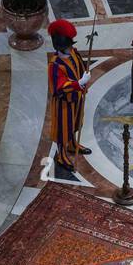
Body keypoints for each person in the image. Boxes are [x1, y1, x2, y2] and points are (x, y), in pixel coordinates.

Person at [46, 19, 90, 179]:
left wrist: (84, 77)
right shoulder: (55, 65)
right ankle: (61, 155)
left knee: (76, 123)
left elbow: (80, 66)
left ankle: (72, 144)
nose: (71, 48)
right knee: (62, 130)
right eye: (68, 46)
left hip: (76, 99)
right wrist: (78, 83)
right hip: (63, 104)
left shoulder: (73, 53)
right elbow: (59, 87)